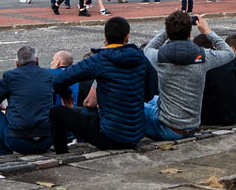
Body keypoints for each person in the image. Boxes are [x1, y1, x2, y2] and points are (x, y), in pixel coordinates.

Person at [51, 16, 158, 151]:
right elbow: (150, 92)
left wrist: (66, 95)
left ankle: (62, 154)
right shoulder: (141, 59)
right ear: (127, 37)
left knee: (56, 112)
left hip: (109, 136)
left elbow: (59, 80)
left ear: (106, 38)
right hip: (135, 135)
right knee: (90, 111)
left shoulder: (101, 59)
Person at [143, 11, 234, 140]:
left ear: (168, 33)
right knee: (154, 99)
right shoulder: (203, 56)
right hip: (191, 127)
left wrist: (168, 29)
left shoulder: (159, 57)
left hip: (166, 128)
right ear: (190, 33)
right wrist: (207, 31)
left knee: (132, 104)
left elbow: (148, 49)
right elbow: (229, 53)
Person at [0, 45, 57, 156]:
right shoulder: (49, 75)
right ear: (37, 60)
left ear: (17, 63)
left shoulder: (10, 76)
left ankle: (4, 155)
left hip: (18, 141)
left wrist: (5, 106)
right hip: (46, 140)